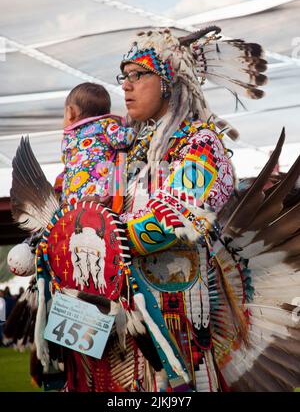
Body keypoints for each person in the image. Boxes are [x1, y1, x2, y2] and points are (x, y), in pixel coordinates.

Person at [9, 27, 300, 392]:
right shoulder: (119, 153)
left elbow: (176, 216)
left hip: (171, 323)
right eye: (124, 76)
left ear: (169, 82)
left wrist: (98, 240)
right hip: (103, 318)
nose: (126, 86)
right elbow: (81, 208)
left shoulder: (200, 144)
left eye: (139, 75)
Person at [57, 82, 136, 211]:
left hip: (71, 202)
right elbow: (122, 140)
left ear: (70, 112)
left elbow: (67, 165)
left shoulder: (68, 139)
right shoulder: (105, 124)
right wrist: (134, 130)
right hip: (98, 195)